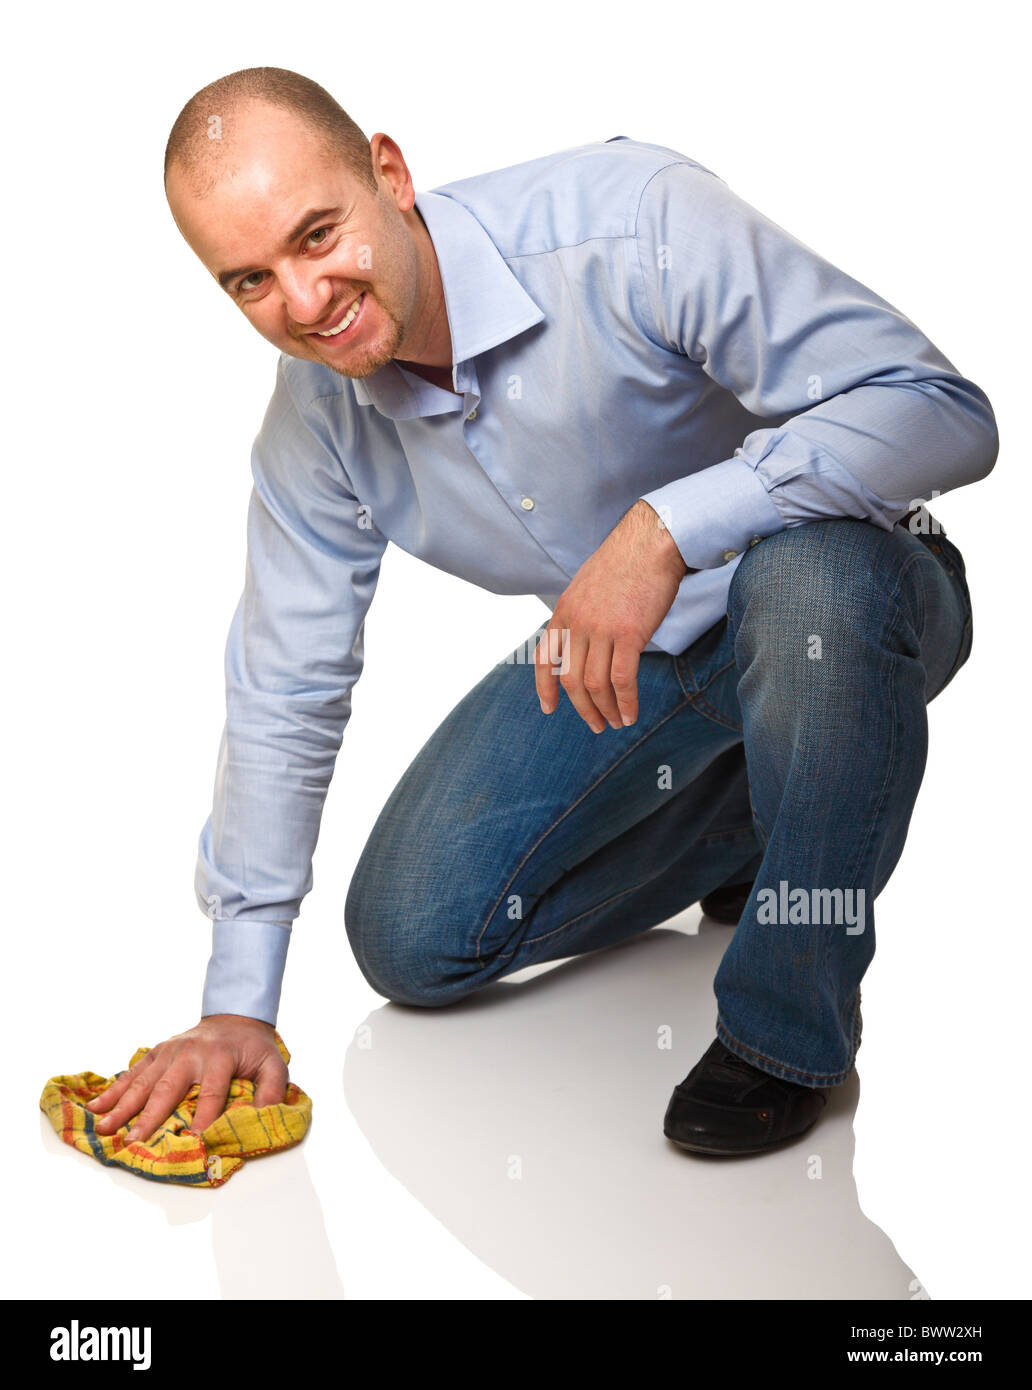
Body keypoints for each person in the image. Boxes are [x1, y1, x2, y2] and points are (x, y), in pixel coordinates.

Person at [87, 66, 997, 1158]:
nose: (305, 298)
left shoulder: (630, 223)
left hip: (851, 598)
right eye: (250, 281)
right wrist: (239, 998)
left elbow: (942, 409)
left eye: (319, 234)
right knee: (412, 937)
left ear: (389, 172)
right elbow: (285, 682)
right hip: (638, 667)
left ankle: (787, 1029)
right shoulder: (317, 424)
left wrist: (666, 527)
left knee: (807, 587)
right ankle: (768, 818)